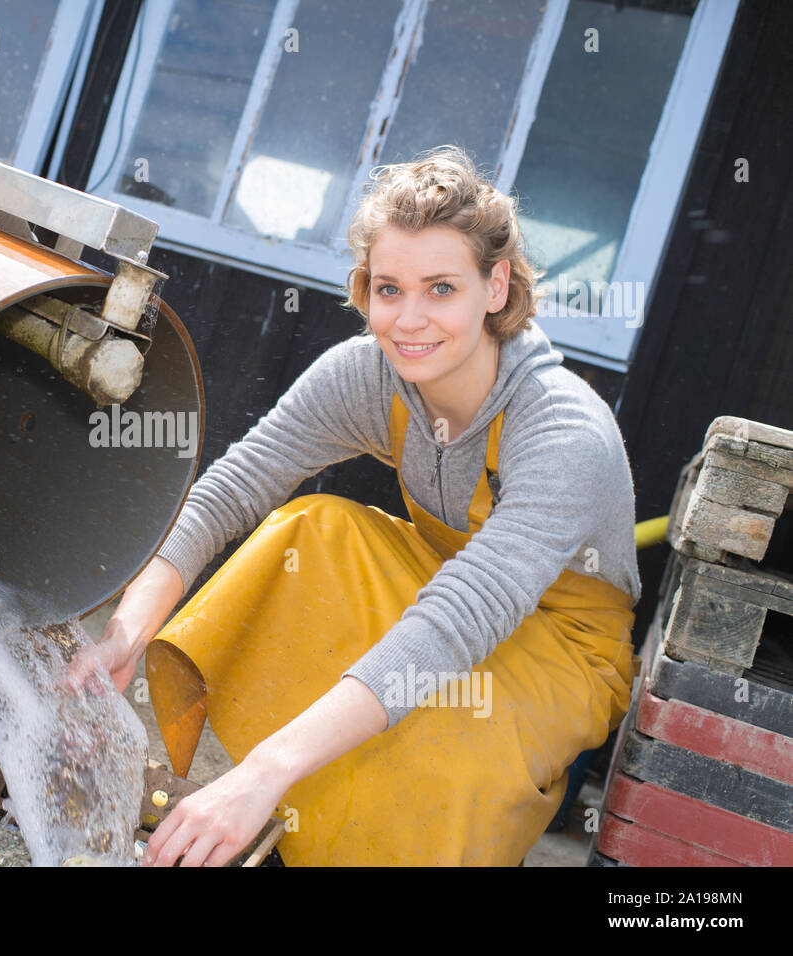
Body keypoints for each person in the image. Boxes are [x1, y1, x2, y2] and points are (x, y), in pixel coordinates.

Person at [67, 144, 640, 866]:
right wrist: (125, 632)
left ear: (496, 287)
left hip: (562, 646)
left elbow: (457, 620)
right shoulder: (368, 377)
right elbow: (227, 493)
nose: (408, 321)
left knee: (437, 747)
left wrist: (263, 772)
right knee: (313, 529)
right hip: (438, 591)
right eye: (388, 288)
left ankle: (293, 798)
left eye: (441, 289)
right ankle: (282, 811)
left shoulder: (562, 431)